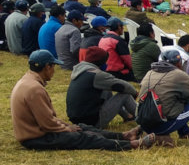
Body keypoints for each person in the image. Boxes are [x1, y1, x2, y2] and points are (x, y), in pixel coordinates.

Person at [11, 50, 154, 151]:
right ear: (47, 67)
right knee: (85, 138)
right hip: (37, 138)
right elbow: (47, 123)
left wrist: (66, 125)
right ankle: (132, 145)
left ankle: (125, 136)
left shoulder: (28, 81)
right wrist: (66, 128)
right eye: (53, 66)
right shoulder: (35, 89)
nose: (54, 70)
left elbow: (48, 119)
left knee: (85, 128)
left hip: (35, 133)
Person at [138, 50, 189, 146]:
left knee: (175, 100)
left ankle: (184, 132)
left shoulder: (150, 72)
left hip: (144, 124)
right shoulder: (177, 74)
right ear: (179, 63)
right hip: (162, 125)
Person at [67, 46, 139, 129]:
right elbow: (124, 86)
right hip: (93, 123)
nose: (107, 64)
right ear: (100, 62)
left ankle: (127, 116)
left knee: (106, 90)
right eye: (105, 61)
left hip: (78, 121)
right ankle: (143, 117)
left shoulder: (79, 71)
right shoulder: (96, 74)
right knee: (125, 95)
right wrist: (135, 93)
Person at [98, 18, 135, 82]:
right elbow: (127, 60)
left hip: (104, 71)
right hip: (117, 73)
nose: (123, 28)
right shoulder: (118, 40)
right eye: (122, 26)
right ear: (119, 27)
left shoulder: (102, 38)